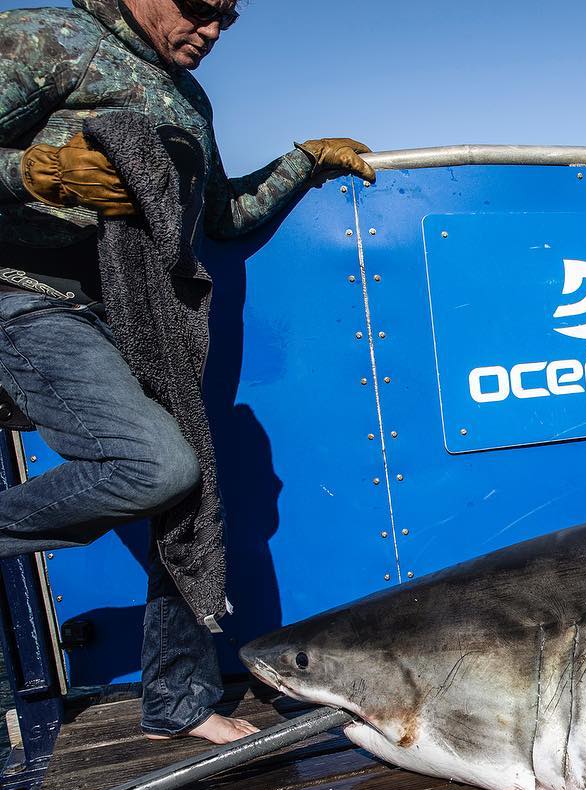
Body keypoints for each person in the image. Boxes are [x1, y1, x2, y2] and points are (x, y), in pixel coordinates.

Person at [0, 0, 375, 743]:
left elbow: (223, 216)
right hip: (24, 297)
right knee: (155, 468)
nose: (208, 33)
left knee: (192, 498)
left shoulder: (186, 96)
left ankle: (178, 698)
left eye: (226, 22)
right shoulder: (46, 37)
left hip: (133, 317)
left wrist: (303, 160)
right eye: (199, 9)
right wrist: (36, 172)